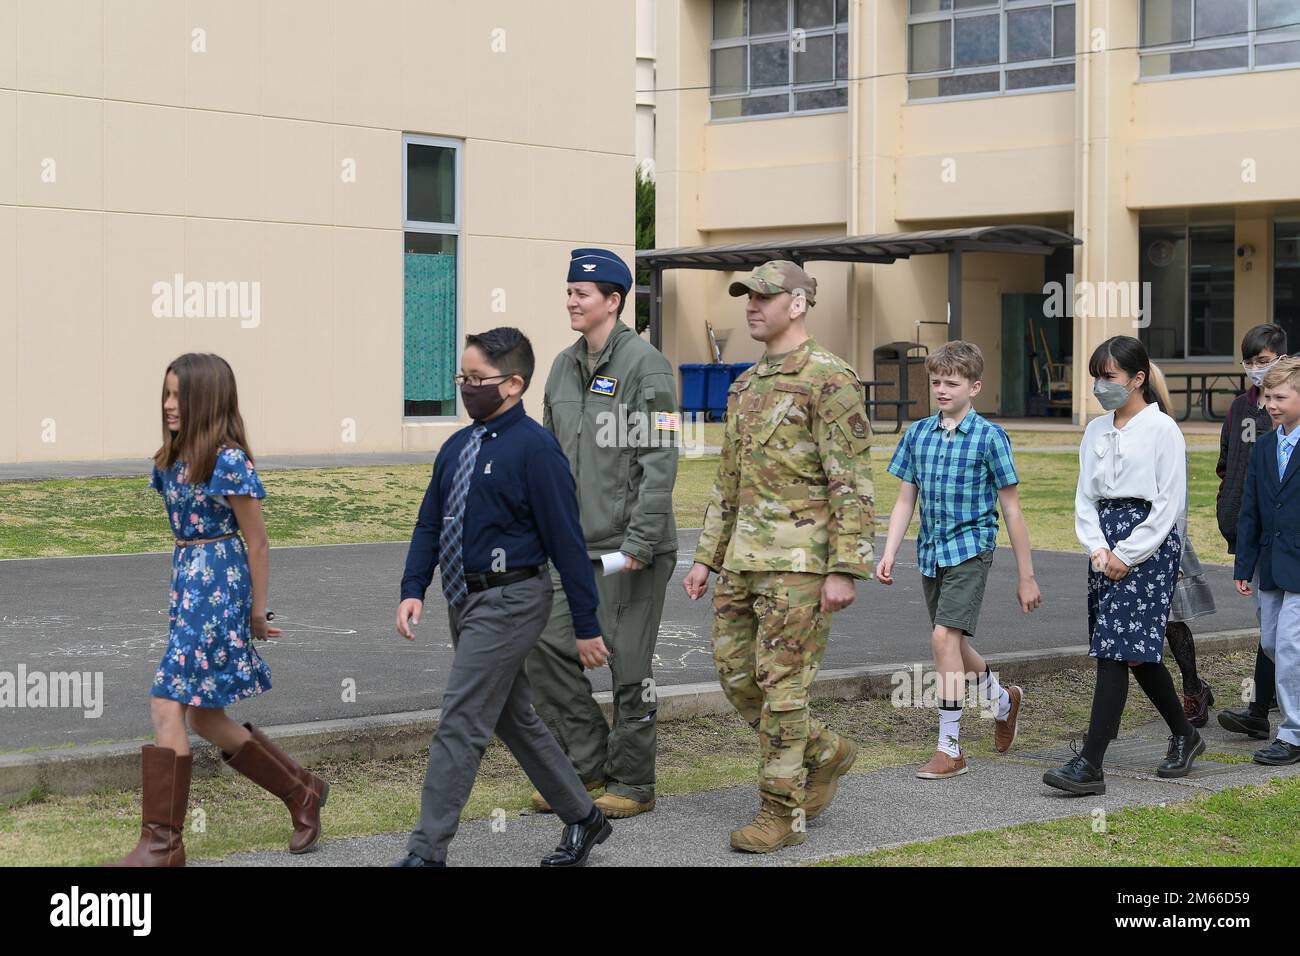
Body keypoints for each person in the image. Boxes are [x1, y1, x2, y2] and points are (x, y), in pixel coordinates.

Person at [392, 327, 613, 867]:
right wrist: (412, 587)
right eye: (461, 378)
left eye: (475, 379)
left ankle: (426, 853)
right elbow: (430, 522)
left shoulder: (537, 450)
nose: (465, 387)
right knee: (514, 718)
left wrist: (586, 625)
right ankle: (585, 818)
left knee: (460, 718)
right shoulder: (458, 446)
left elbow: (567, 542)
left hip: (513, 599)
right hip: (464, 600)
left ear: (513, 384)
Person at [681, 260, 874, 853]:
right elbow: (727, 482)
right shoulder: (744, 386)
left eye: (765, 297)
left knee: (782, 686)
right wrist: (705, 559)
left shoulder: (830, 379)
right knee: (738, 679)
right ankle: (827, 752)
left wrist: (843, 567)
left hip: (801, 565)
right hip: (742, 560)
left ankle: (780, 812)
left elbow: (852, 481)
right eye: (747, 297)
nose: (752, 306)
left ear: (798, 304)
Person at [115, 353, 326, 867]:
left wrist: (257, 613)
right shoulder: (170, 460)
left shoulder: (228, 460)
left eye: (178, 396)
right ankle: (302, 791)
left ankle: (163, 846)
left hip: (219, 585)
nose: (168, 405)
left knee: (167, 703)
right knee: (206, 716)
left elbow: (257, 542)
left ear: (205, 400)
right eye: (164, 394)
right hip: (188, 581)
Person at [525, 248, 680, 819]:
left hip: (631, 547)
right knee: (542, 644)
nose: (571, 300)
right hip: (572, 546)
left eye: (582, 293)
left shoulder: (647, 366)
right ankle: (588, 761)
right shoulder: (564, 365)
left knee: (628, 664)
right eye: (568, 290)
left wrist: (639, 541)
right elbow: (545, 452)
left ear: (613, 301)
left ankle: (634, 782)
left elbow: (660, 457)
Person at [1044, 335, 1202, 796]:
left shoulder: (1162, 430)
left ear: (1137, 379)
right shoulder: (1096, 430)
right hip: (1105, 541)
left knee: (1114, 648)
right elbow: (1084, 498)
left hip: (1147, 545)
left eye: (1108, 377)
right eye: (1096, 377)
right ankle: (1185, 734)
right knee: (1131, 650)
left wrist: (1127, 553)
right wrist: (1097, 546)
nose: (1100, 386)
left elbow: (1169, 504)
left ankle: (1090, 763)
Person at [876, 340, 1040, 779]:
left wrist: (1027, 576)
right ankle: (1004, 702)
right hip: (931, 552)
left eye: (952, 382)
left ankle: (950, 747)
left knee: (942, 640)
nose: (943, 390)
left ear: (975, 386)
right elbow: (904, 500)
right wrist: (889, 552)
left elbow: (1013, 510)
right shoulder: (918, 434)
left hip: (972, 549)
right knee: (954, 643)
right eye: (936, 382)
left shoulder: (990, 437)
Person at [1217, 324, 1286, 740]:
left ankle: (1261, 706)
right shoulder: (1240, 408)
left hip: (1283, 533)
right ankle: (1261, 707)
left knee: (1280, 625)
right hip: (1251, 527)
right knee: (1272, 621)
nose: (1257, 371)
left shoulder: (1288, 414)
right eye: (1250, 363)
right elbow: (1228, 462)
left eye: (1264, 362)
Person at [1233, 356, 1300, 765]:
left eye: (1280, 397)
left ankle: (1292, 734)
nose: (1270, 404)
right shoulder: (1264, 446)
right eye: (1266, 396)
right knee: (1275, 642)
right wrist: (1244, 565)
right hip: (1271, 565)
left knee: (1291, 645)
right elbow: (1251, 509)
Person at [1148, 363, 1217, 725]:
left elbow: (1177, 497)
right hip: (1127, 540)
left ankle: (1192, 689)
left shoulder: (1164, 431)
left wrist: (1174, 541)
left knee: (1171, 618)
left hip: (1164, 536)